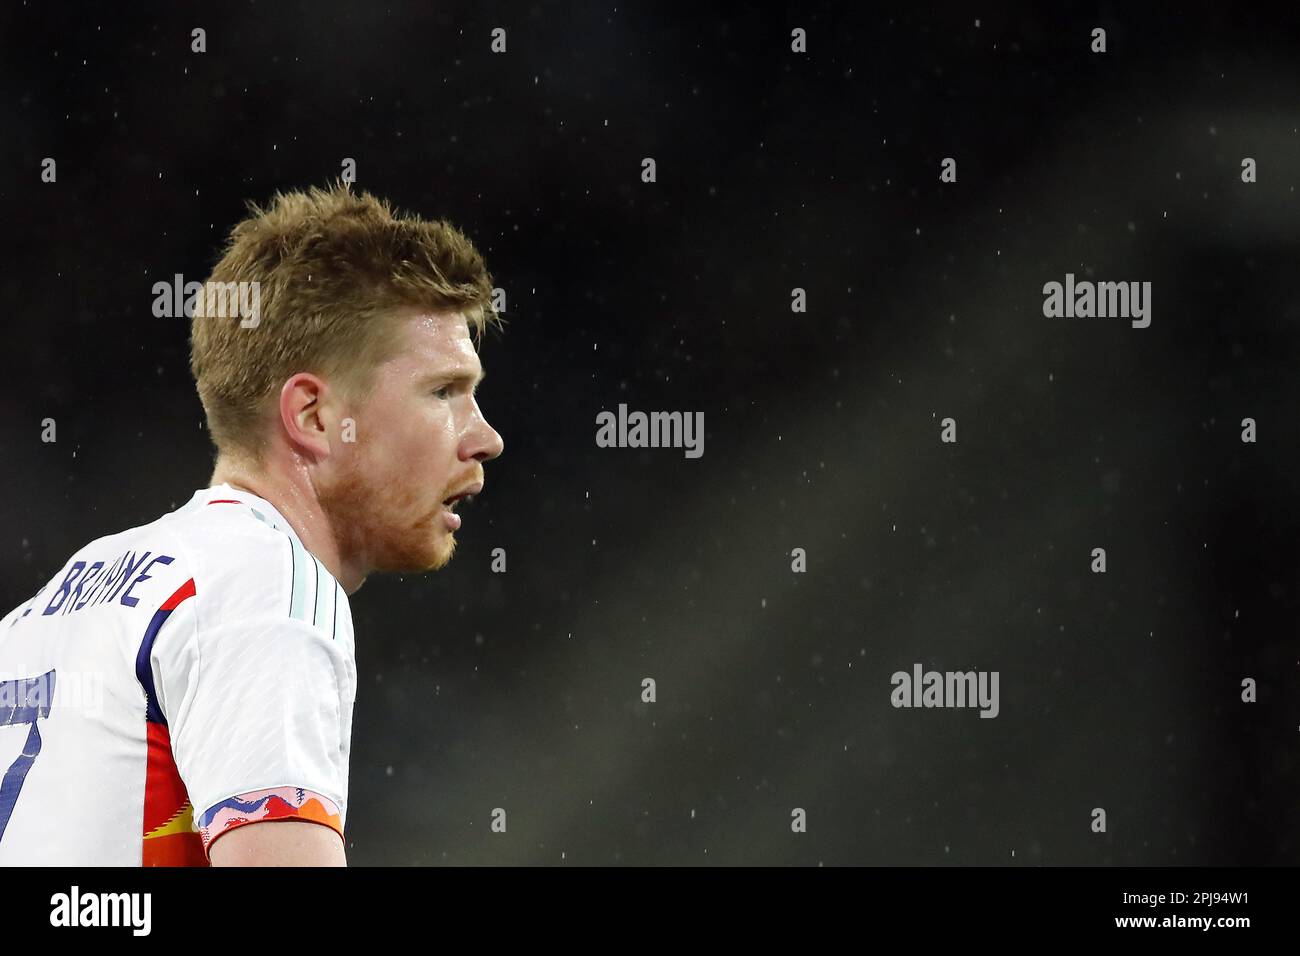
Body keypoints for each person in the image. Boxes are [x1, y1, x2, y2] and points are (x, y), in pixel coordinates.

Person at [0, 183, 505, 866]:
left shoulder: (55, 602)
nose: (486, 438)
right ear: (315, 418)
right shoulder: (271, 590)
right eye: (444, 392)